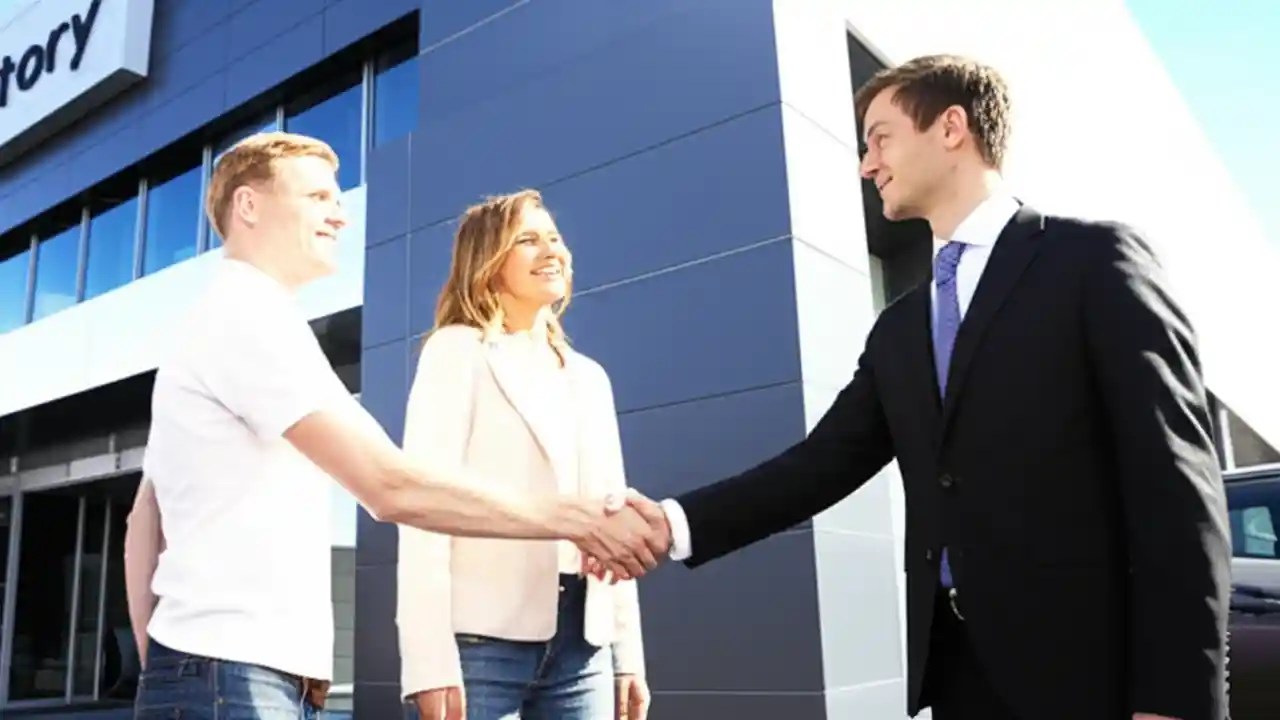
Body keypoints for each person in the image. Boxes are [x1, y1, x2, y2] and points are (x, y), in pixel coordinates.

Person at [606, 55, 1232, 720]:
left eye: (880, 138)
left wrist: (1176, 699)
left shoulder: (1093, 263)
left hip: (1092, 678)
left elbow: (1177, 490)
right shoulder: (901, 328)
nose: (866, 164)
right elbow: (818, 467)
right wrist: (670, 525)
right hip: (958, 676)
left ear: (952, 128)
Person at [122, 132, 660, 719]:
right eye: (319, 196)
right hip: (232, 672)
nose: (340, 214)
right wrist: (571, 518)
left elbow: (145, 515)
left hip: (237, 669)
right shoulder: (247, 319)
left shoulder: (246, 320)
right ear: (248, 206)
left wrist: (176, 664)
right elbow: (391, 486)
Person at [397, 189, 650, 720]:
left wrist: (627, 655)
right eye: (528, 241)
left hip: (585, 642)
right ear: (487, 263)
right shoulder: (456, 352)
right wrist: (428, 660)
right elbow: (422, 509)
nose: (551, 251)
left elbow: (612, 515)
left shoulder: (590, 377)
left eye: (554, 239)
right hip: (478, 643)